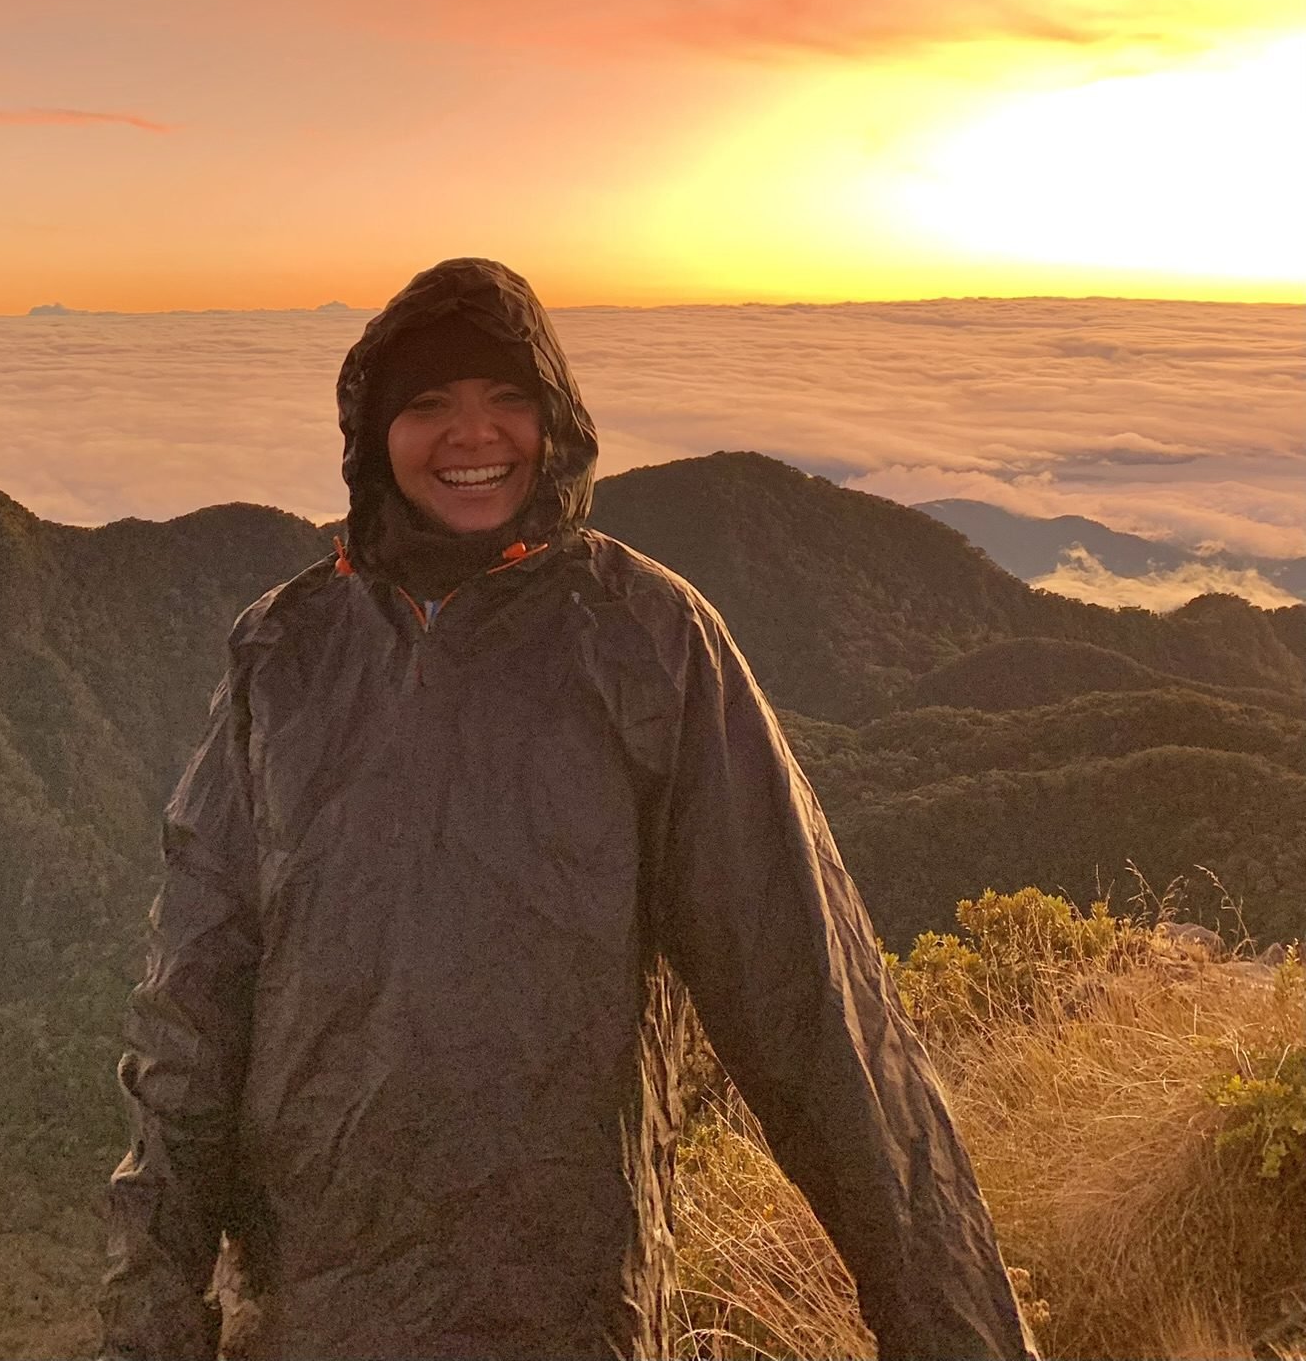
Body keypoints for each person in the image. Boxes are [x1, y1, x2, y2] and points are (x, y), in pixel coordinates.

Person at [101, 256, 1036, 1361]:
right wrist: (151, 1312)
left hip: (562, 1301)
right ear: (373, 433)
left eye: (508, 398)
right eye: (429, 403)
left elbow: (807, 997)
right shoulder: (287, 648)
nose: (472, 433)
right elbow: (197, 999)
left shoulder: (646, 640)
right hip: (309, 1304)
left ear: (556, 419)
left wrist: (955, 1326)